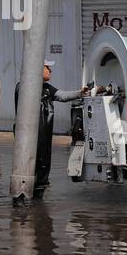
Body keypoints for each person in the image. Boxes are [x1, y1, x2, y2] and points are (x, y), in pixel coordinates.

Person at [15, 62, 92, 197]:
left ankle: (38, 196)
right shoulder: (23, 87)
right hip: (28, 138)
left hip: (44, 135)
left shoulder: (47, 89)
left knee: (43, 163)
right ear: (38, 68)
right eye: (47, 68)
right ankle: (20, 196)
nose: (50, 70)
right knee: (26, 164)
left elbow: (62, 96)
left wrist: (81, 92)